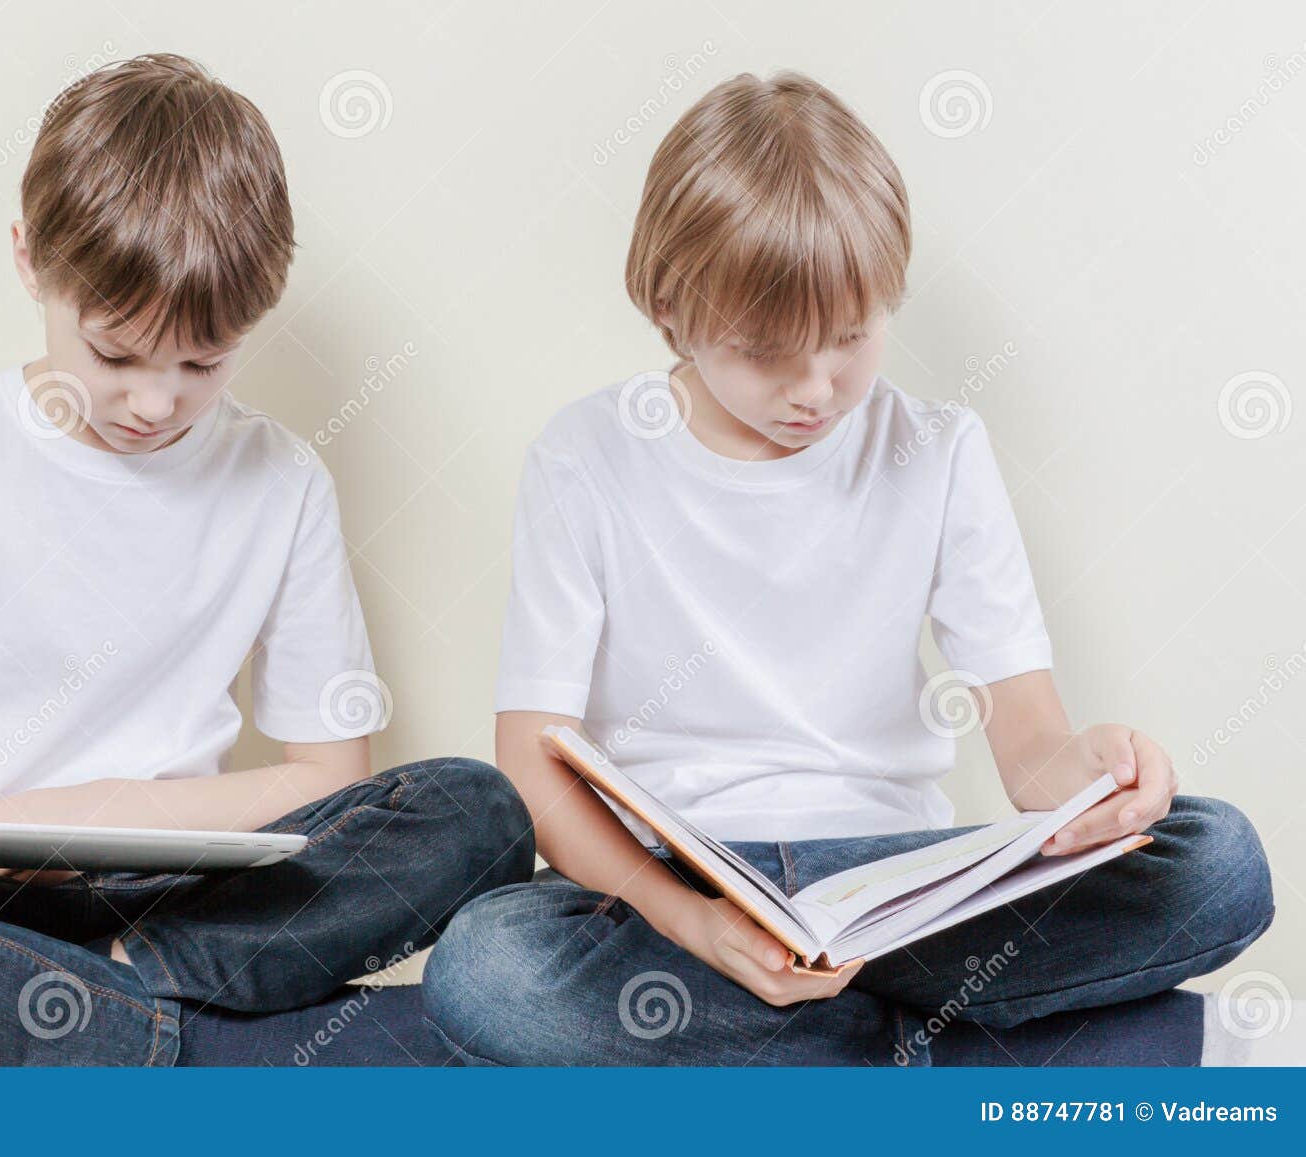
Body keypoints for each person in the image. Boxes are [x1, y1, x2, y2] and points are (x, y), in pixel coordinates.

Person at [422, 70, 1275, 1066]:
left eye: (851, 337)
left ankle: (808, 1058)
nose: (816, 389)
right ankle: (952, 1053)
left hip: (901, 890)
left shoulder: (939, 450)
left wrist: (1097, 775)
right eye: (763, 351)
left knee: (1217, 858)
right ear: (668, 305)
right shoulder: (583, 457)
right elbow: (535, 765)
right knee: (485, 964)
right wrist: (689, 923)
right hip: (683, 885)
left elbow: (1032, 750)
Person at [0, 53, 532, 1066]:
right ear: (29, 260)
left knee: (477, 809)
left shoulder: (279, 480)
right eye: (113, 354)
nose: (154, 404)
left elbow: (329, 775)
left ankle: (87, 1015)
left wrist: (80, 815)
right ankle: (211, 1048)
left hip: (186, 902)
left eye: (203, 363)